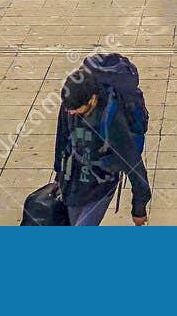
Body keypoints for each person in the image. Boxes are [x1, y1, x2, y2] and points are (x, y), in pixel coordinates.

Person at [54, 67, 151, 225]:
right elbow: (62, 137)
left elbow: (134, 165)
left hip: (100, 186)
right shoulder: (71, 103)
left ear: (92, 100)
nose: (71, 113)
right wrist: (59, 173)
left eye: (77, 109)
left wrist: (139, 208)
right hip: (72, 183)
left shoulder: (112, 121)